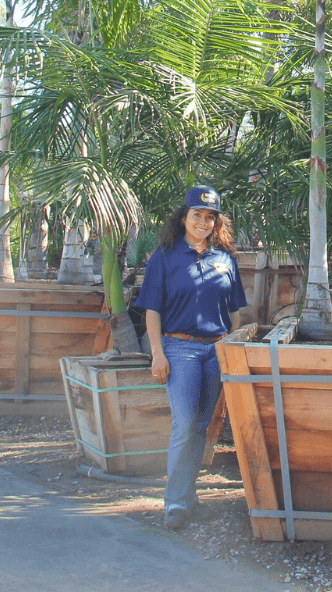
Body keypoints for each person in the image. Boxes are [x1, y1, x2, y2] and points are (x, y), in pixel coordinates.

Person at [136, 185, 247, 529]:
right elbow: (151, 311)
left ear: (216, 222)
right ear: (183, 217)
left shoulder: (225, 259)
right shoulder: (165, 257)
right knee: (184, 424)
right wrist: (157, 354)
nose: (202, 222)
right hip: (179, 348)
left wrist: (229, 344)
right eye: (196, 215)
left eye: (209, 217)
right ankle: (175, 504)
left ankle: (187, 495)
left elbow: (236, 310)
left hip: (215, 350)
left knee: (201, 426)